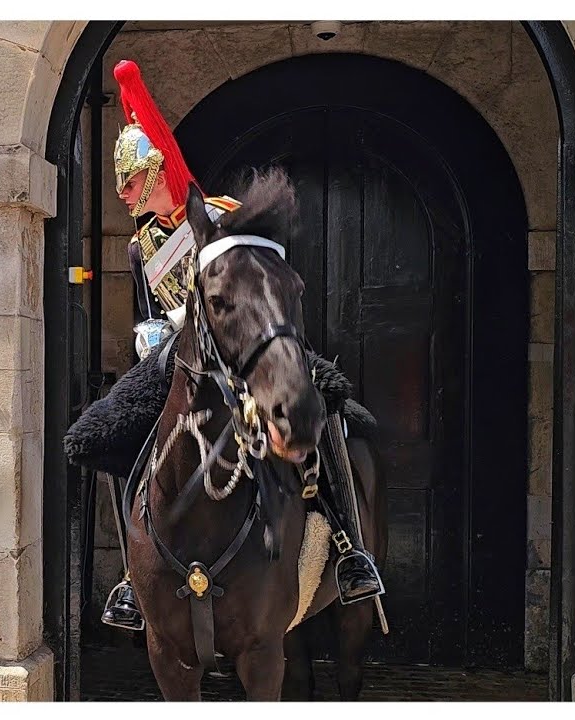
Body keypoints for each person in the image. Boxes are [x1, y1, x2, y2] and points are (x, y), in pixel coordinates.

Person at [64, 60, 384, 632]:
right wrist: (154, 335)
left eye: (132, 182)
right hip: (179, 351)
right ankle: (132, 579)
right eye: (120, 188)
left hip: (245, 338)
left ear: (157, 169)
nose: (125, 195)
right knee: (105, 432)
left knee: (327, 411)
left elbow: (263, 286)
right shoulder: (142, 248)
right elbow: (149, 309)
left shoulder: (222, 218)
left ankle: (349, 544)